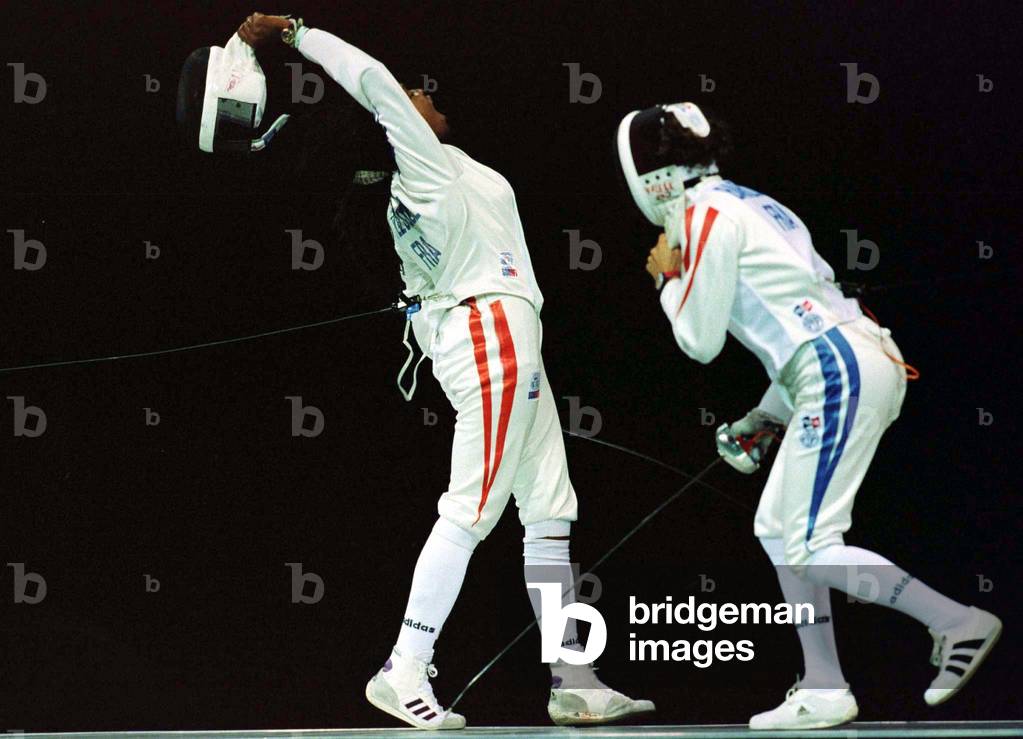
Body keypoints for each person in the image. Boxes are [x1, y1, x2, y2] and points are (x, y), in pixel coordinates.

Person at [238, 13, 654, 731]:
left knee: (549, 509)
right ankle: (402, 666)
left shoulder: (435, 174)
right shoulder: (418, 169)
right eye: (411, 96)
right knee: (471, 507)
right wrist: (295, 32)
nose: (423, 96)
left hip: (505, 331)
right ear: (395, 122)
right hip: (490, 332)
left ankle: (574, 678)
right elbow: (367, 78)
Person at [617, 101, 1001, 730]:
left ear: (649, 172)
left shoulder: (706, 215)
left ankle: (956, 622)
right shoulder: (751, 203)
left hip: (840, 368)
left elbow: (700, 342)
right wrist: (760, 420)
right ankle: (824, 686)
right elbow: (795, 329)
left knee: (811, 543)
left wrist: (666, 277)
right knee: (779, 530)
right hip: (843, 362)